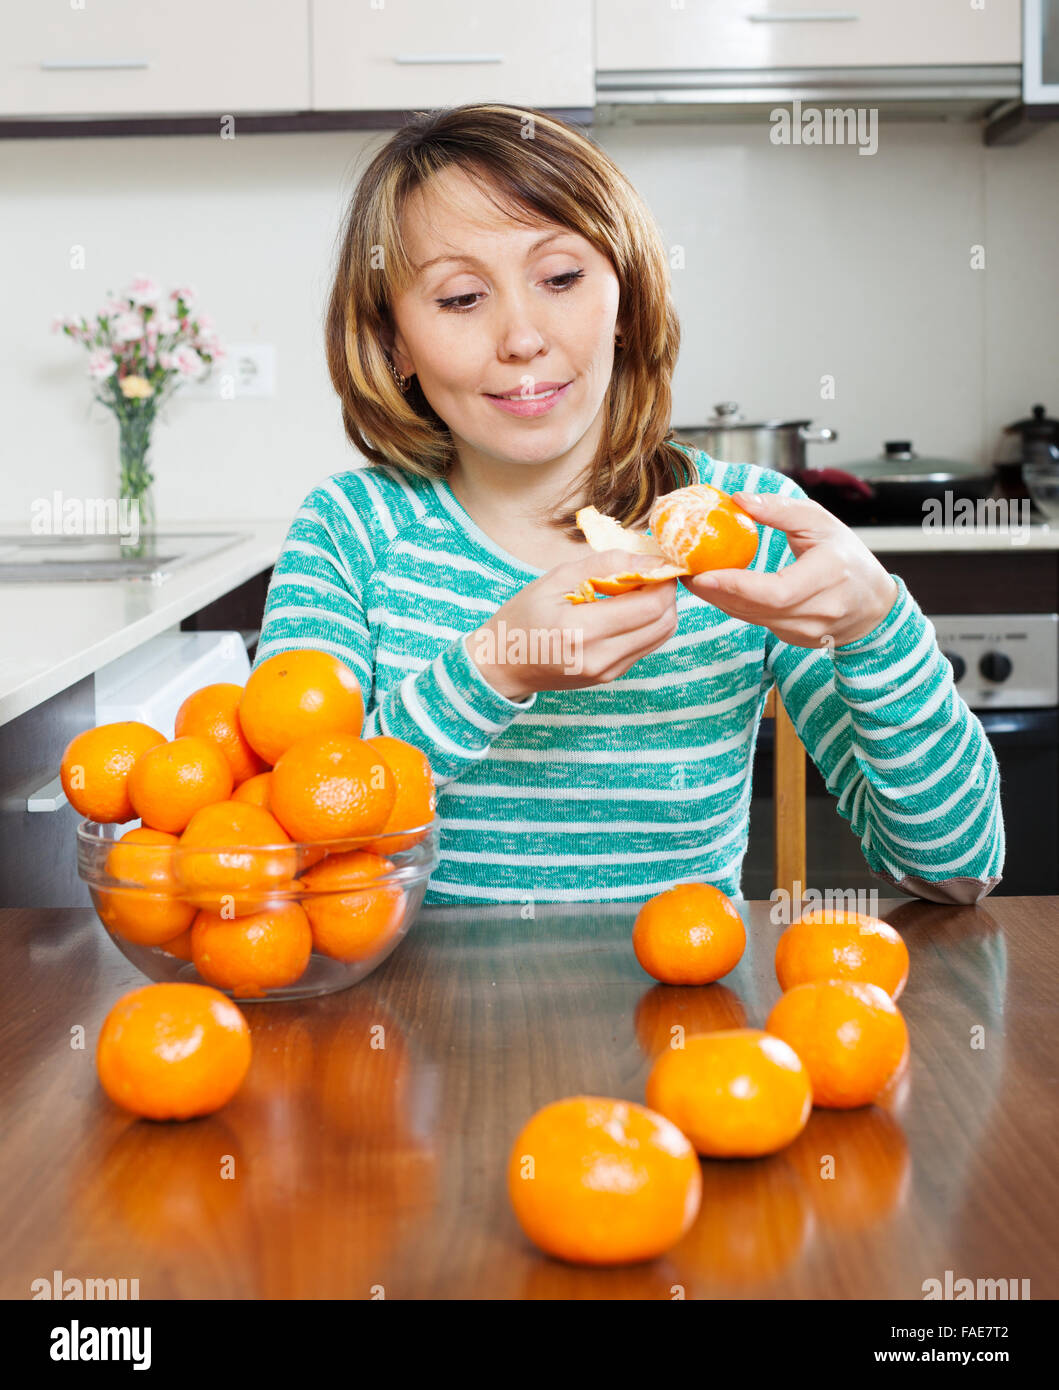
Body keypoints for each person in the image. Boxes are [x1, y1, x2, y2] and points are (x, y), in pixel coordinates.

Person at [253, 103, 1003, 908]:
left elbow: (954, 873)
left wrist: (878, 627)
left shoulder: (747, 524)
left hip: (683, 1016)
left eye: (562, 278)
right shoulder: (350, 531)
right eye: (462, 298)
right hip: (411, 1025)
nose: (521, 338)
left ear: (625, 303)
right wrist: (491, 669)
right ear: (395, 342)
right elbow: (278, 849)